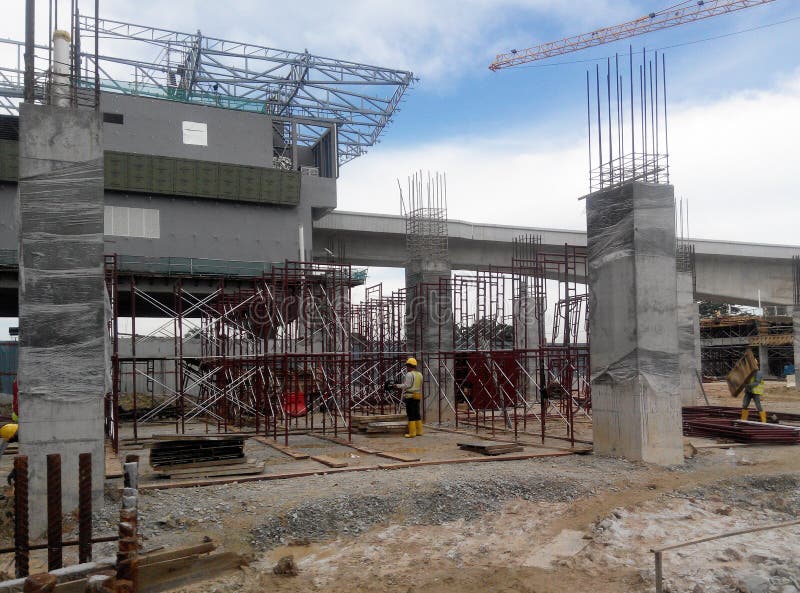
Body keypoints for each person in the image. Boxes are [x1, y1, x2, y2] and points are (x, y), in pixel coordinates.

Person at [395, 357, 423, 438]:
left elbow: (407, 385)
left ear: (410, 366)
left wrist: (397, 386)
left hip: (410, 396)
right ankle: (419, 431)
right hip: (417, 396)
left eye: (407, 366)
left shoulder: (409, 374)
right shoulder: (419, 374)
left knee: (411, 414)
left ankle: (412, 433)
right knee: (417, 414)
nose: (407, 368)